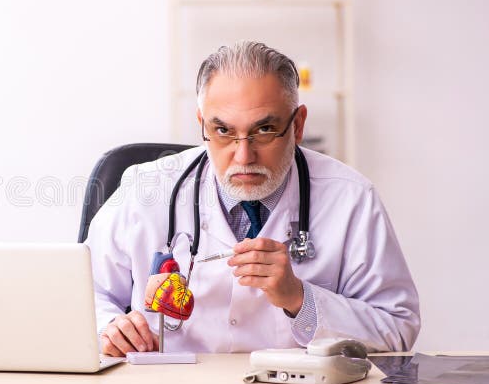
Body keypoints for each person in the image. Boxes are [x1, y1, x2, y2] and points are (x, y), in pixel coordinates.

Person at [86, 41, 420, 356]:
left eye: (264, 130)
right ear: (202, 124)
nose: (244, 156)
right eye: (223, 131)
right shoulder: (145, 189)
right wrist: (109, 327)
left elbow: (397, 327)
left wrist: (299, 299)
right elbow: (80, 295)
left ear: (298, 124)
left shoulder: (351, 199)